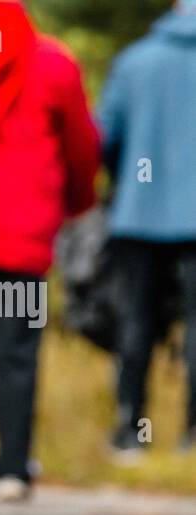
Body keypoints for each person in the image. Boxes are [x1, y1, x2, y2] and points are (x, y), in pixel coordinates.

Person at [0, 0, 98, 501]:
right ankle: (11, 469)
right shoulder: (53, 62)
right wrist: (77, 204)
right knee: (15, 355)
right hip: (22, 236)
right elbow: (82, 148)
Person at [98, 0, 196, 459]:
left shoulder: (134, 61)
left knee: (135, 323)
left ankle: (130, 431)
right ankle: (191, 436)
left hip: (139, 216)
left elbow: (107, 137)